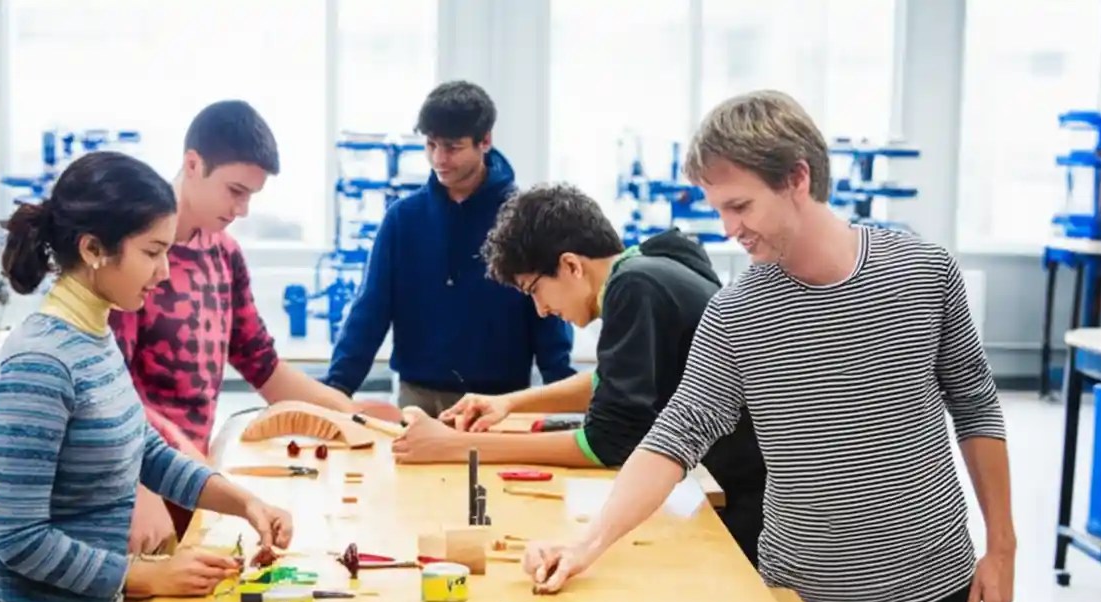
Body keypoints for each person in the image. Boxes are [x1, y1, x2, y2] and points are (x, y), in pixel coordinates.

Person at [521, 91, 1015, 602]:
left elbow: (977, 407)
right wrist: (587, 545)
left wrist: (1002, 549)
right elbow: (675, 437)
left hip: (931, 593)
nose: (729, 227)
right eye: (719, 208)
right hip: (798, 599)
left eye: (740, 205)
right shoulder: (737, 313)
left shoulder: (924, 271)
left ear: (797, 179)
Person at [0, 151, 294, 602]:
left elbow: (146, 452)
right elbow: (19, 540)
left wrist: (243, 502)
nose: (164, 272)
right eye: (153, 253)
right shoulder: (40, 362)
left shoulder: (94, 334)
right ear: (92, 249)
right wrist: (146, 576)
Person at [394, 183, 767, 565]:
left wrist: (455, 447)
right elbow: (613, 381)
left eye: (535, 290)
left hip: (756, 505)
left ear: (571, 265)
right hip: (746, 485)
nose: (540, 309)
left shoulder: (633, 287)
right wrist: (509, 403)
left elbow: (606, 443)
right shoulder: (653, 265)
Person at [110, 100, 395, 552]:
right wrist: (184, 462)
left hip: (193, 481)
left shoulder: (224, 255)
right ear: (192, 163)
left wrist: (353, 416)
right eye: (234, 190)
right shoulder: (132, 258)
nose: (241, 209)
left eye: (251, 196)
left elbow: (265, 368)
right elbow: (115, 396)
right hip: (134, 486)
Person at [323, 80, 576, 416]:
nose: (439, 159)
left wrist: (565, 395)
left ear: (485, 141)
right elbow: (370, 311)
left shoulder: (525, 218)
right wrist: (335, 391)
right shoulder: (403, 219)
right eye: (431, 145)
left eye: (453, 147)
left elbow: (549, 316)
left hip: (499, 403)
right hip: (419, 398)